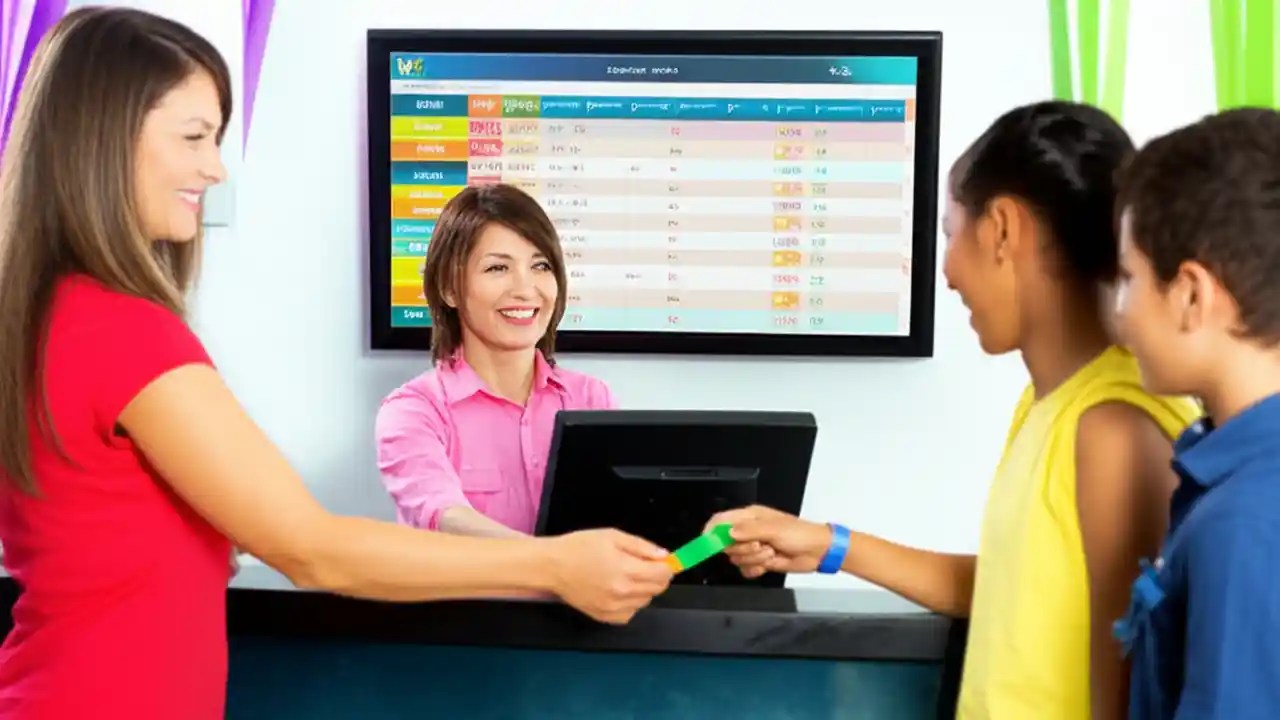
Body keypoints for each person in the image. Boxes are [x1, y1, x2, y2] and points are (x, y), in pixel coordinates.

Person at [0, 8, 671, 719]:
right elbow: (316, 552)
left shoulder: (59, 314)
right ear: (105, 138)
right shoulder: (123, 331)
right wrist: (556, 565)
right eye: (194, 137)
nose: (215, 167)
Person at [707, 101, 1202, 719]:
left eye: (949, 231)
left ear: (1001, 228)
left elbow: (1130, 686)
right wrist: (828, 546)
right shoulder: (1050, 406)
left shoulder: (1113, 429)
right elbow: (1008, 592)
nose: (946, 273)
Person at [1110, 108, 1280, 719]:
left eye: (1128, 279)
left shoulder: (1244, 522)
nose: (1121, 313)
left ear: (1190, 294)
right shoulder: (1229, 485)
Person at [375, 183, 614, 538]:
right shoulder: (414, 411)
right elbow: (446, 517)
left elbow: (622, 524)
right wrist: (555, 563)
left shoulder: (591, 399)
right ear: (449, 288)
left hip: (579, 597)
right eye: (498, 268)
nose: (525, 288)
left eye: (541, 265)